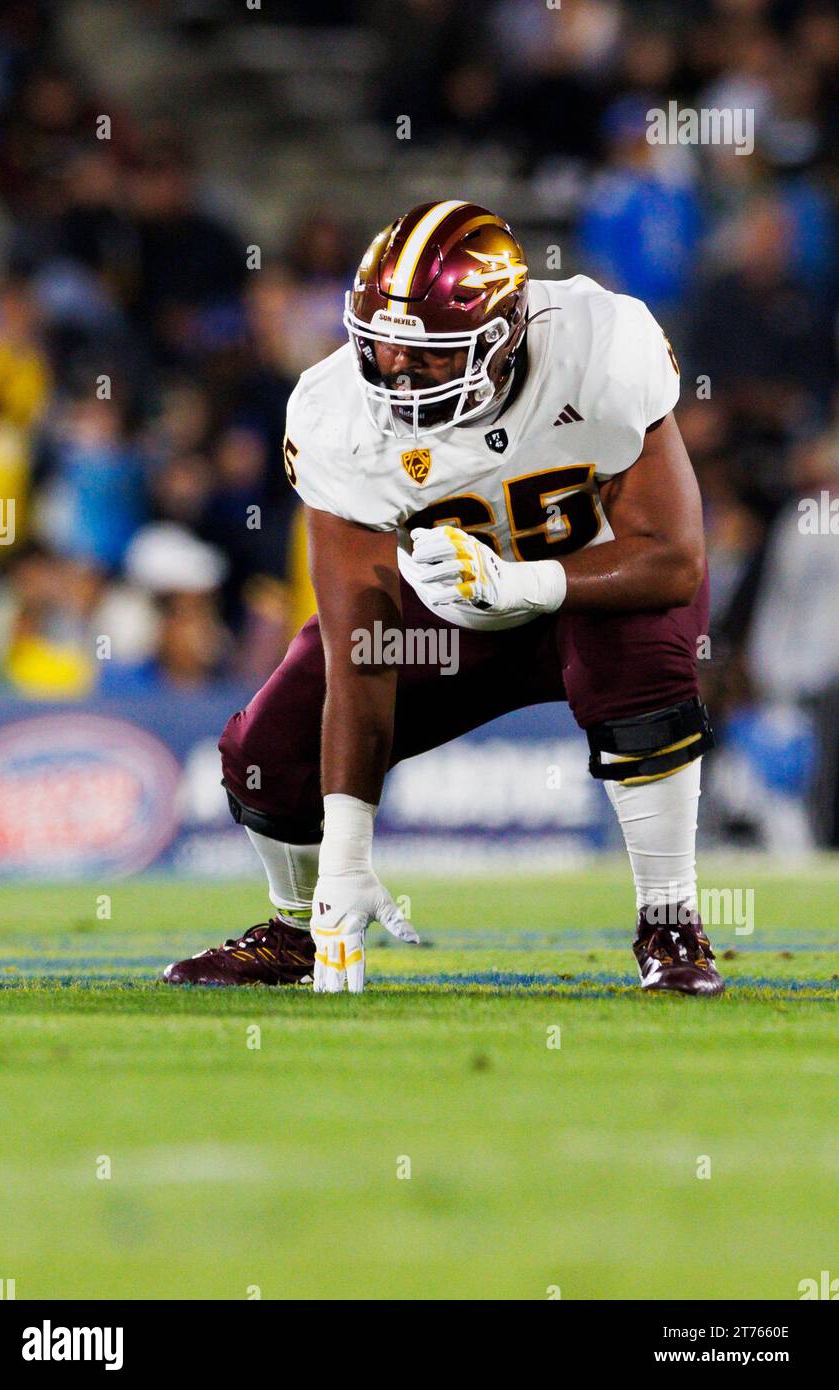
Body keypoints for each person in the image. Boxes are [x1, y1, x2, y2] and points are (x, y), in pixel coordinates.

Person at [164, 200, 723, 997]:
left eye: (424, 356)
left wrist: (525, 581)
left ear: (503, 336)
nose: (394, 375)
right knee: (265, 754)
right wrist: (348, 855)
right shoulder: (334, 414)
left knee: (635, 658)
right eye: (382, 350)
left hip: (594, 592)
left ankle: (669, 922)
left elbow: (673, 561)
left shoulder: (597, 343)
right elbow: (359, 648)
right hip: (451, 622)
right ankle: (297, 928)